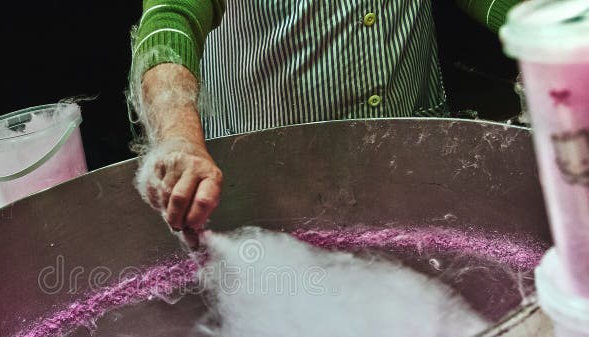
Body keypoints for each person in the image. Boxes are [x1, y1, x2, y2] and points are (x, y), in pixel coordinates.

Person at [128, 0, 522, 234]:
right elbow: (169, 18)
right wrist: (178, 135)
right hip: (275, 184)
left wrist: (559, 35)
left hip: (411, 161)